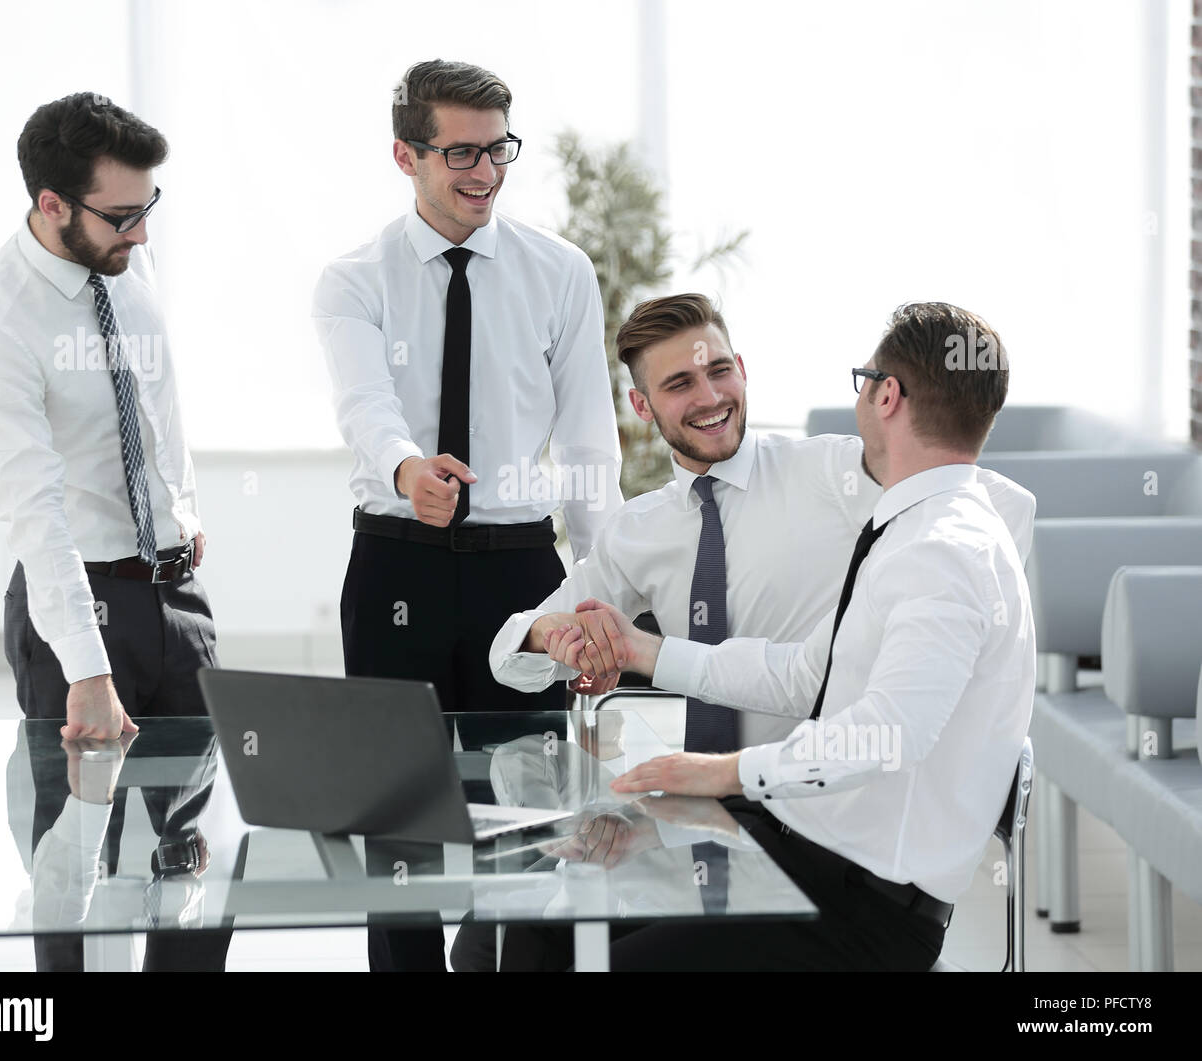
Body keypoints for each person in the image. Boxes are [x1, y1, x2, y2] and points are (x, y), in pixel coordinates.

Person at [510, 301, 1035, 971]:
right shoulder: (911, 527)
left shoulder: (940, 549)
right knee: (537, 932)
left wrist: (722, 771)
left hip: (859, 905)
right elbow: (804, 673)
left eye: (864, 379)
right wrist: (646, 652)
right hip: (799, 841)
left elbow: (888, 732)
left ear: (888, 395)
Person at [311, 59, 623, 972]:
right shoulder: (353, 281)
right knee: (399, 828)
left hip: (520, 573)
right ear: (405, 154)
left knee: (531, 818)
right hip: (396, 563)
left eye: (498, 150)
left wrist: (599, 593)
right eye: (461, 153)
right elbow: (362, 405)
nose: (484, 173)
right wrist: (409, 468)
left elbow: (591, 446)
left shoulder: (560, 273)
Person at [0, 92, 228, 971]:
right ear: (50, 205)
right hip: (81, 603)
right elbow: (36, 509)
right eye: (121, 215)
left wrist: (182, 510)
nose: (141, 234)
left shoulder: (119, 262)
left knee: (191, 855)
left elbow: (154, 402)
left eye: (149, 210)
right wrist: (88, 669)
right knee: (73, 867)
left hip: (175, 594)